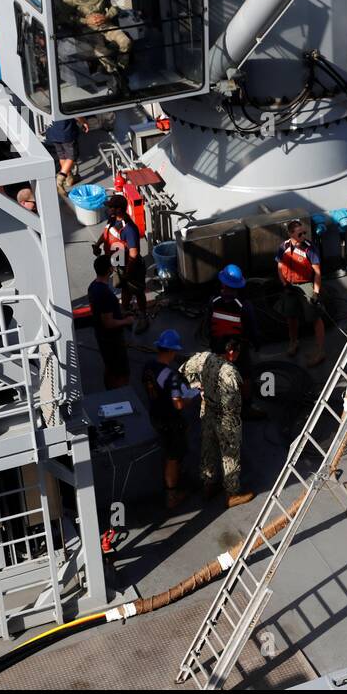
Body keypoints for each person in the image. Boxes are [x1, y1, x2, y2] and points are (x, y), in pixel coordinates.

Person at [181, 347, 255, 508]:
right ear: (231, 352)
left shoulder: (203, 357)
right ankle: (232, 493)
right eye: (236, 353)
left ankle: (208, 485)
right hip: (225, 417)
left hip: (206, 411)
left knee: (208, 448)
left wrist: (198, 387)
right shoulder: (230, 372)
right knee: (230, 453)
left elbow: (185, 368)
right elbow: (232, 401)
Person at [142, 329, 198, 509]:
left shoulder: (148, 367)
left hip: (155, 414)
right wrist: (195, 393)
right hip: (170, 421)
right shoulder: (172, 376)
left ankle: (175, 479)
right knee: (173, 456)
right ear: (173, 351)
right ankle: (172, 495)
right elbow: (179, 404)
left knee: (169, 450)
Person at [61, 0, 132, 80]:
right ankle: (114, 73)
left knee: (126, 42)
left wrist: (107, 16)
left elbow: (115, 5)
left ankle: (121, 67)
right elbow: (65, 17)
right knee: (101, 53)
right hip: (88, 30)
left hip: (106, 25)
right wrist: (85, 20)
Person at [274, 219, 326, 366]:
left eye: (304, 232)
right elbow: (279, 267)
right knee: (290, 315)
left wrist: (315, 292)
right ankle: (293, 342)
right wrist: (285, 284)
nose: (303, 235)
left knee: (315, 316)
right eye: (299, 234)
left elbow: (317, 272)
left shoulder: (310, 249)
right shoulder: (283, 247)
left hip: (306, 285)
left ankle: (320, 350)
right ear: (291, 234)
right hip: (290, 286)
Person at [96, 193, 149, 334]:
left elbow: (134, 253)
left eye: (111, 207)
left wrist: (128, 271)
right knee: (125, 288)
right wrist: (98, 244)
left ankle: (143, 315)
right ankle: (124, 311)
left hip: (132, 267)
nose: (108, 209)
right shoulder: (112, 220)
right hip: (119, 263)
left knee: (138, 291)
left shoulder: (129, 229)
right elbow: (106, 233)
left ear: (119, 209)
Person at [89, 254, 134, 388]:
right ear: (109, 270)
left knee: (109, 366)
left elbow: (101, 312)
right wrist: (127, 321)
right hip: (112, 340)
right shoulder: (105, 294)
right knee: (121, 372)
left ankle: (109, 390)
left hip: (101, 336)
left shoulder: (93, 287)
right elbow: (108, 323)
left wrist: (121, 313)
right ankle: (121, 395)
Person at [43, 116, 87, 193]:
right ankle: (60, 180)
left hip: (53, 133)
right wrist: (84, 122)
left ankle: (69, 178)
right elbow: (77, 115)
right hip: (66, 134)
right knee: (72, 156)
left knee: (62, 155)